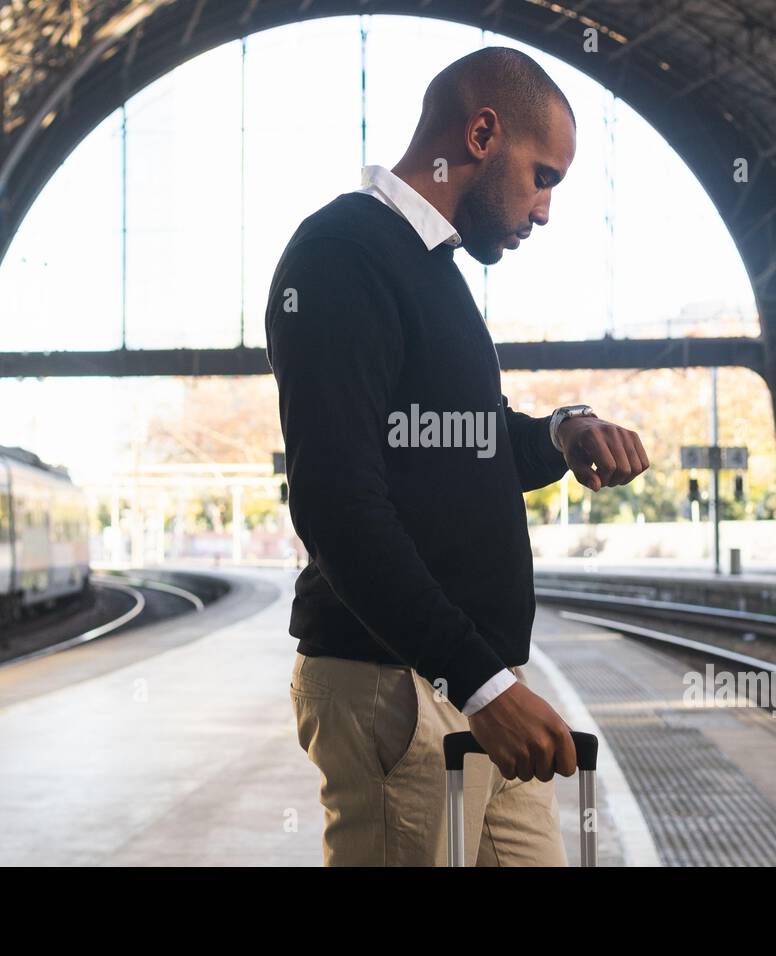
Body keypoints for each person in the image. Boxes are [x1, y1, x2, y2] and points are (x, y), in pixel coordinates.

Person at [264, 46, 649, 866]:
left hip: (478, 687)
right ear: (481, 134)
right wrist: (475, 683)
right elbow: (335, 499)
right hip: (401, 686)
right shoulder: (342, 254)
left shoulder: (434, 267)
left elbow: (465, 438)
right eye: (543, 176)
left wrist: (560, 431)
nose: (544, 211)